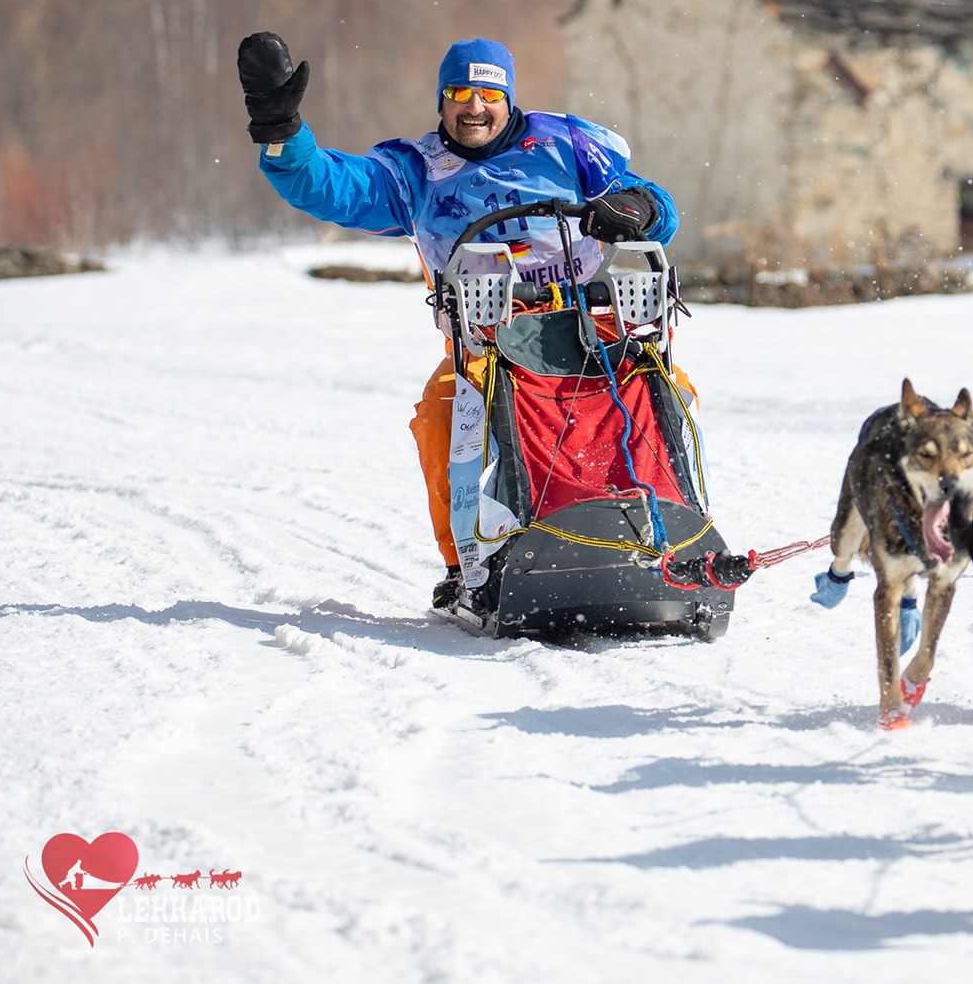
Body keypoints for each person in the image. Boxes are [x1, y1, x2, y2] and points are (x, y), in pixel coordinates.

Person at [236, 32, 679, 604]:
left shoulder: (568, 145)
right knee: (445, 413)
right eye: (459, 93)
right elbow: (327, 185)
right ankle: (467, 566)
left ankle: (666, 533)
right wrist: (281, 132)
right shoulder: (414, 171)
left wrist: (636, 209)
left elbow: (650, 203)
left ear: (509, 99)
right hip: (485, 340)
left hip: (591, 332)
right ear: (441, 100)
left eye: (488, 95)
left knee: (673, 393)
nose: (474, 107)